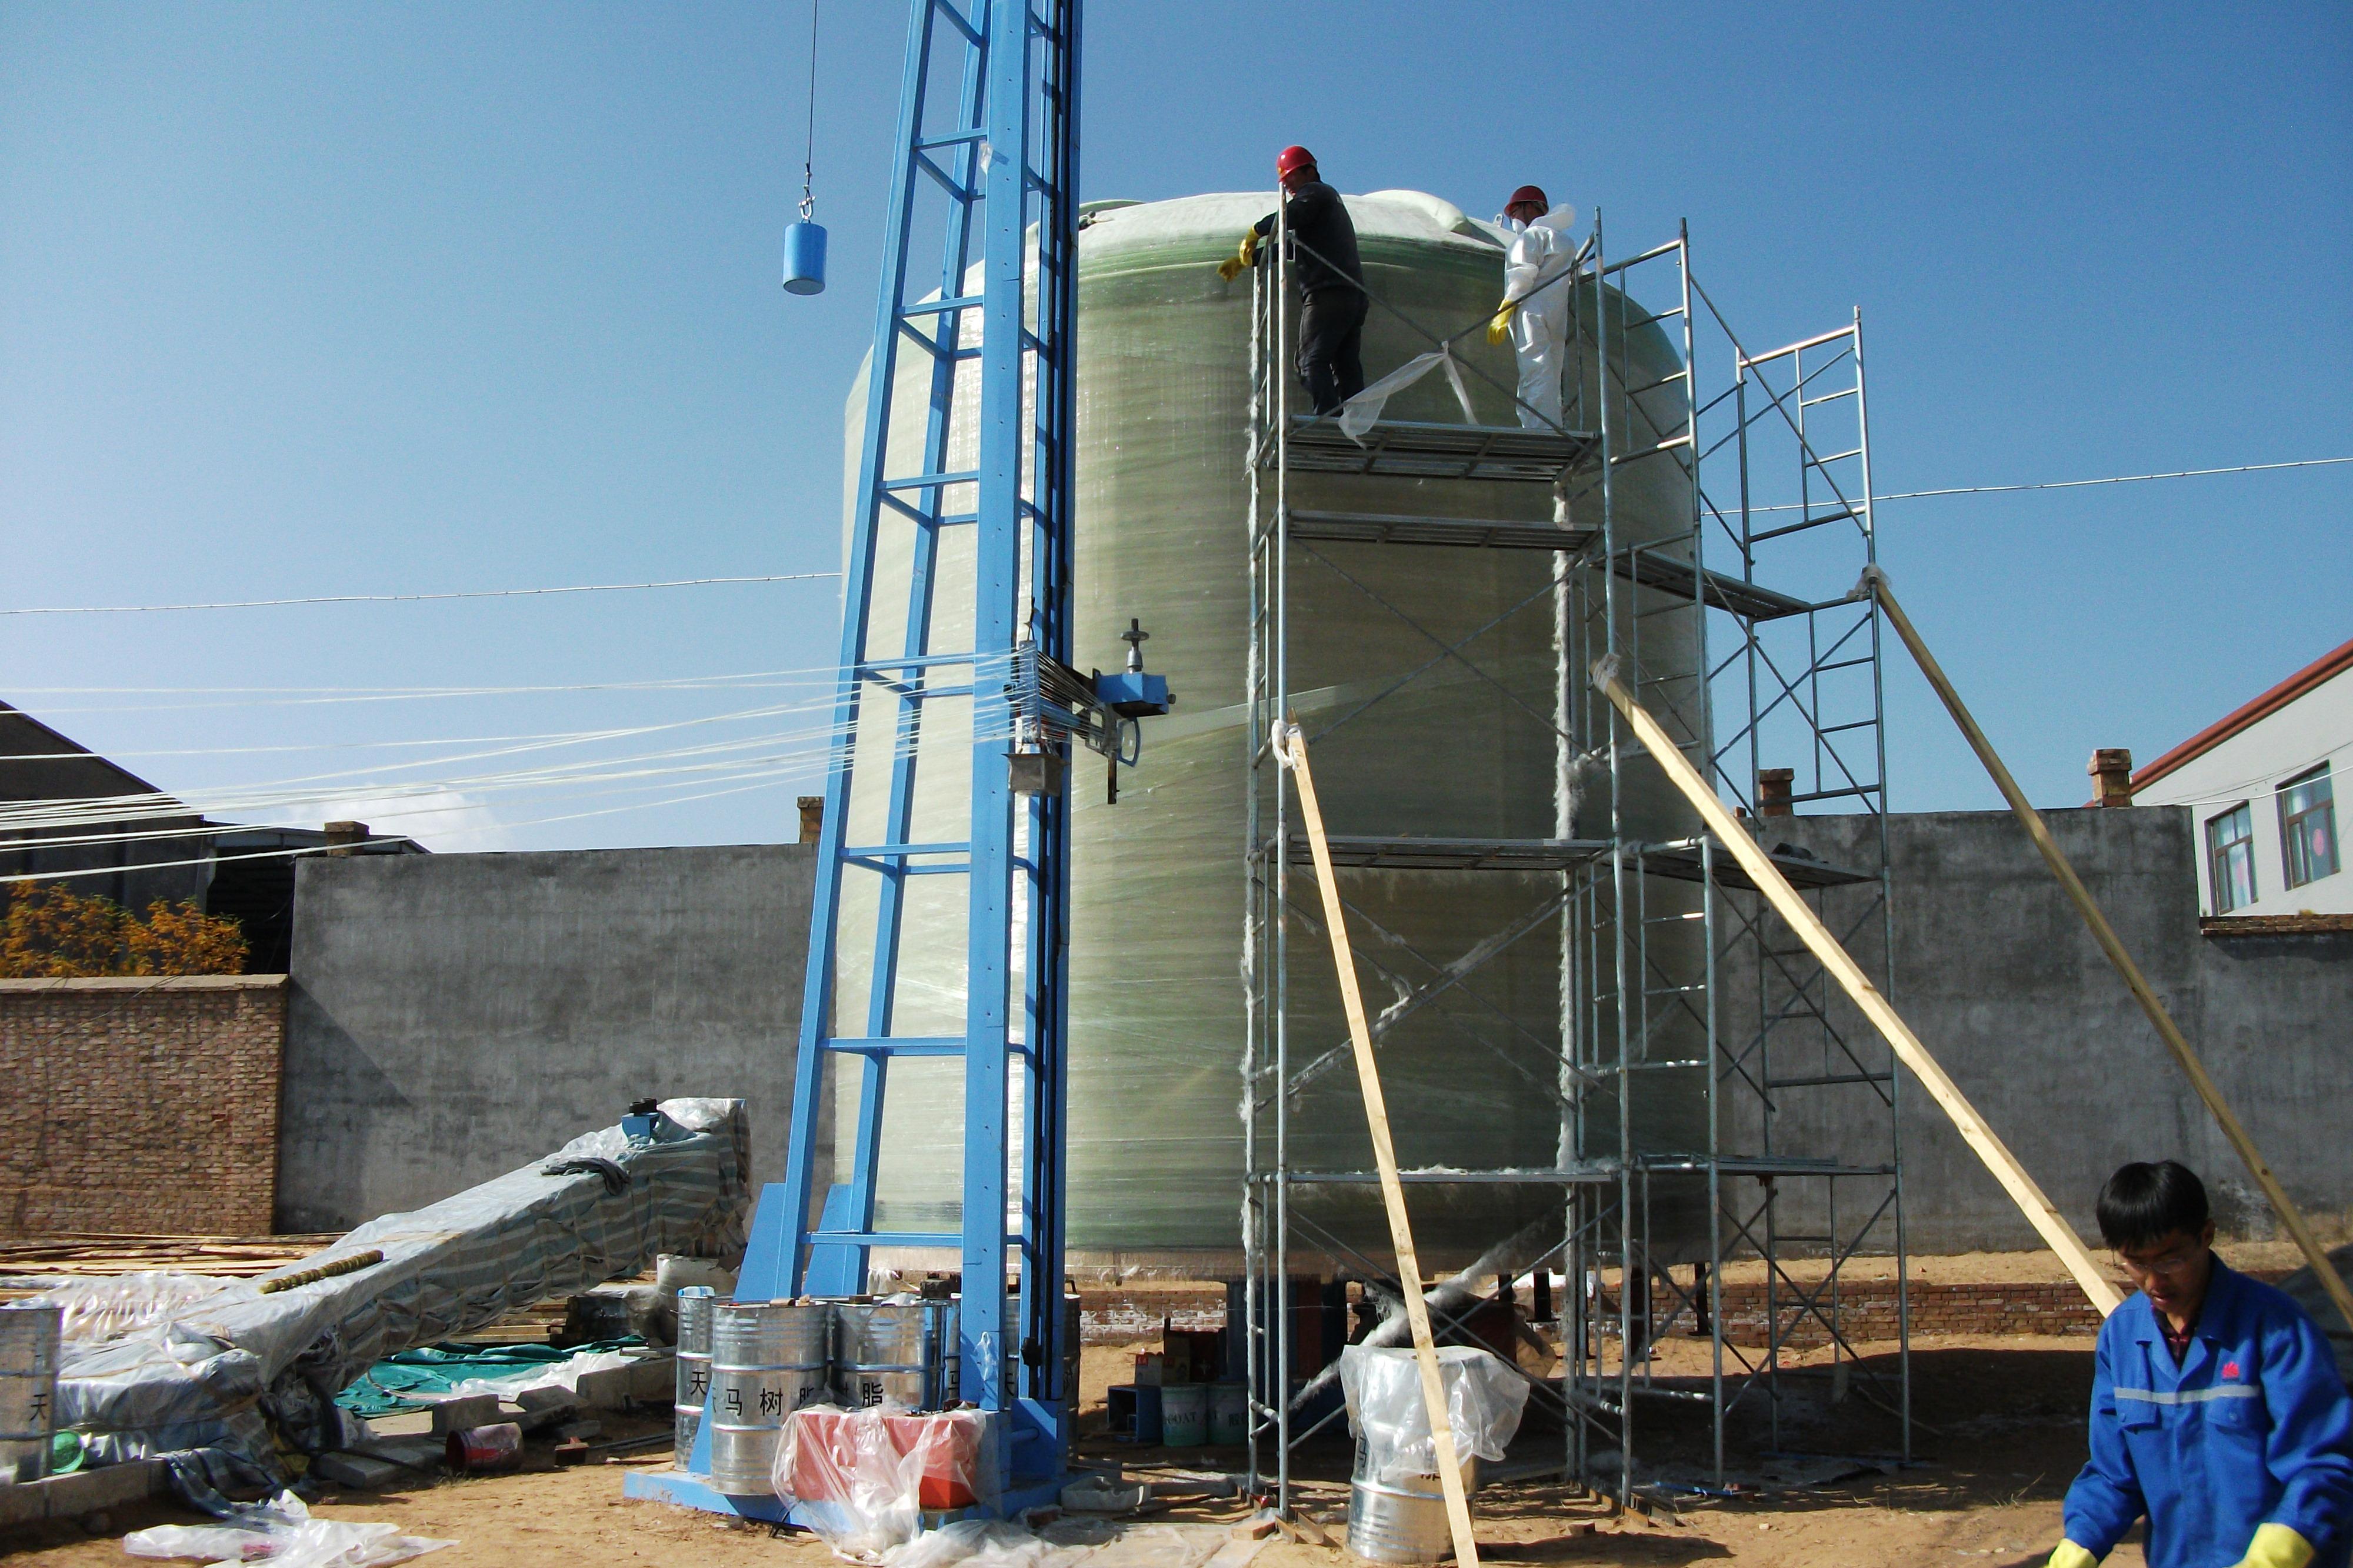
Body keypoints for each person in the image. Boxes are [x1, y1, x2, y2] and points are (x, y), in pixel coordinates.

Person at [2047, 1161, 2353, 1568]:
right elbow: (2113, 1475)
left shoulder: (2276, 1328)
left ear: (2206, 1235)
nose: (2154, 1282)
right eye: (2136, 1263)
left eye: (2170, 1261)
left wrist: (2274, 1555)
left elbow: (2323, 1464)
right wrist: (2078, 1546)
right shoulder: (2122, 1338)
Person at [1217, 145, 1364, 416]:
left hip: (1327, 294)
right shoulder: (1326, 207)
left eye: (1290, 177)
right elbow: (1296, 249)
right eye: (1283, 181)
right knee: (1345, 365)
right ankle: (1355, 420)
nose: (1286, 185)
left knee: (1309, 362)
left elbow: (1291, 215)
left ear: (1310, 171)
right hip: (1351, 296)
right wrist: (1249, 260)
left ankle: (1329, 419)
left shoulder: (1316, 193)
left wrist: (1257, 230)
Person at [1486, 184, 1579, 431]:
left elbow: (1522, 273)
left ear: (1529, 208)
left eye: (1515, 212)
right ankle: (1551, 426)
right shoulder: (1565, 242)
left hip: (1531, 311)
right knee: (1550, 376)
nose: (1514, 219)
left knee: (1534, 372)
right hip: (1556, 316)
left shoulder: (1530, 237)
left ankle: (1539, 431)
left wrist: (1507, 305)